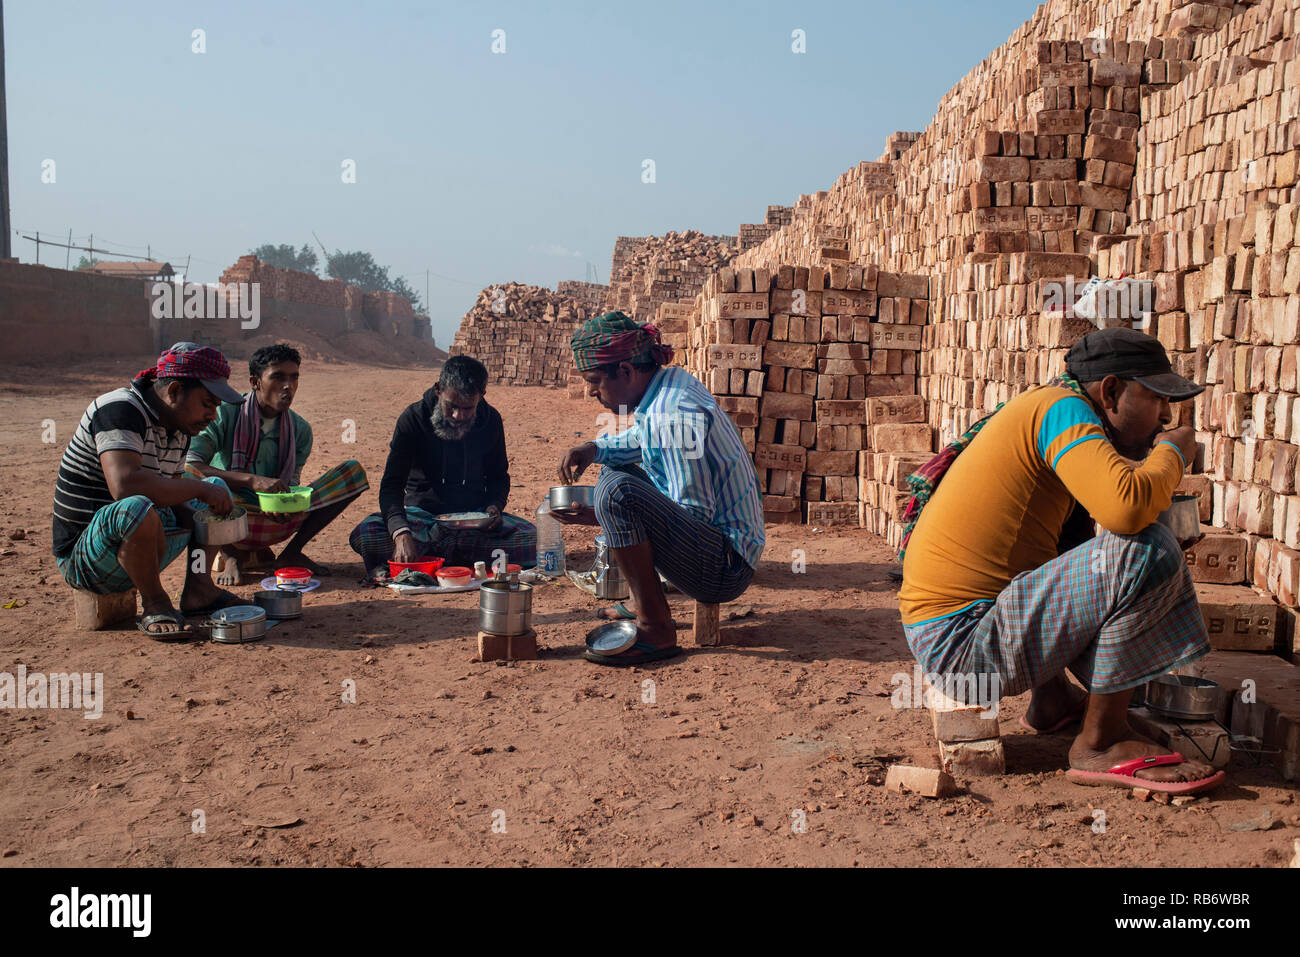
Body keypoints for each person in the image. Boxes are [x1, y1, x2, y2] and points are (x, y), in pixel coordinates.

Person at [898, 327, 1224, 796]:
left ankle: (1054, 702)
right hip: (962, 645)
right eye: (1156, 399)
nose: (1167, 415)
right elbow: (1127, 509)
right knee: (1146, 549)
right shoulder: (1063, 411)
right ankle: (1100, 741)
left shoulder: (1049, 406)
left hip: (952, 633)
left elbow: (1067, 563)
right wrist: (1175, 449)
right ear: (1111, 391)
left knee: (1092, 554)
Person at [555, 311, 765, 666]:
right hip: (721, 547)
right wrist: (594, 449)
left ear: (625, 371)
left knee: (617, 493)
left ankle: (656, 629)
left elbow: (696, 515)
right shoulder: (666, 387)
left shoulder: (673, 416)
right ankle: (643, 599)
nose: (591, 392)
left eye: (594, 381)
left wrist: (603, 518)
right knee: (611, 473)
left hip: (725, 567)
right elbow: (644, 438)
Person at [52, 342, 247, 637]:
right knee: (137, 506)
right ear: (174, 391)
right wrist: (197, 491)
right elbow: (125, 486)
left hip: (140, 544)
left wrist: (205, 512)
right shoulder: (118, 409)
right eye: (208, 403)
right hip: (85, 558)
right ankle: (155, 603)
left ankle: (199, 590)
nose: (213, 416)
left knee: (214, 488)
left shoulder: (179, 426)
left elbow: (168, 495)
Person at [185, 343, 369, 585]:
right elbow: (192, 465)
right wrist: (252, 481)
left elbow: (291, 480)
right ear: (255, 382)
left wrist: (286, 500)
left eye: (294, 378)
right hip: (231, 511)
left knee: (352, 473)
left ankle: (292, 552)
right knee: (205, 482)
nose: (288, 386)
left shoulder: (300, 429)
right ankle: (230, 555)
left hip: (275, 516)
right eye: (278, 377)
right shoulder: (225, 414)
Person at [348, 355, 535, 576]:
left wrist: (494, 507)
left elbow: (498, 477)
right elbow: (392, 484)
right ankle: (461, 558)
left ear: (481, 397)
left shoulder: (491, 420)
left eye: (468, 408)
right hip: (422, 521)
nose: (458, 416)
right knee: (366, 533)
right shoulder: (413, 418)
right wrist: (401, 533)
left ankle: (432, 559)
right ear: (438, 390)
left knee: (534, 539)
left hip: (473, 523)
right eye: (451, 406)